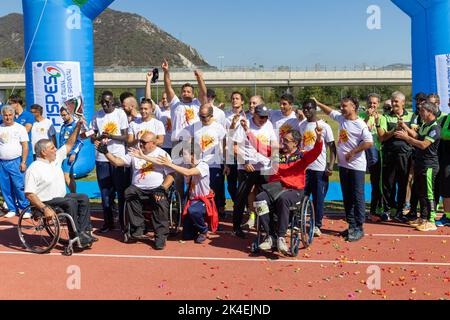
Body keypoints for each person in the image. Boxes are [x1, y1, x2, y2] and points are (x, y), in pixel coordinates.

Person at [249, 123, 323, 254]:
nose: (283, 143)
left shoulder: (302, 156)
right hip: (275, 187)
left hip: (294, 190)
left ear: (295, 143)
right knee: (260, 199)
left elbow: (316, 152)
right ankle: (270, 235)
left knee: (283, 199)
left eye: (286, 141)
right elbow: (260, 147)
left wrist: (318, 138)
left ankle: (281, 237)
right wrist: (247, 131)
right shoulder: (276, 153)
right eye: (282, 139)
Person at [24, 117, 96, 248]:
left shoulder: (55, 158)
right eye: (52, 148)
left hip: (60, 197)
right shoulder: (34, 168)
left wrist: (78, 126)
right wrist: (44, 208)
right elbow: (29, 194)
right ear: (43, 152)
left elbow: (69, 144)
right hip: (46, 201)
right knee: (70, 202)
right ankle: (75, 236)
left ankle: (85, 232)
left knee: (83, 198)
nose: (55, 149)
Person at [97, 132, 175, 249]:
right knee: (129, 192)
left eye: (144, 142)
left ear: (153, 143)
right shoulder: (135, 152)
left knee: (160, 201)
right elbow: (117, 162)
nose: (141, 144)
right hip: (138, 188)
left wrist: (162, 188)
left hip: (157, 188)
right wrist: (106, 152)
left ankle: (160, 235)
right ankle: (138, 227)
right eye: (140, 141)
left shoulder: (162, 154)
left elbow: (171, 175)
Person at [314, 97, 373, 242]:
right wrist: (318, 103)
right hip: (343, 166)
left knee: (357, 196)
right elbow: (330, 112)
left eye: (344, 106)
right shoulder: (341, 119)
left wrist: (352, 152)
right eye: (341, 106)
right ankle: (351, 224)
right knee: (347, 196)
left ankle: (359, 227)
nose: (342, 108)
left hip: (356, 167)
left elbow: (369, 142)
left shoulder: (360, 125)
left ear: (353, 107)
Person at [140, 141, 218, 244]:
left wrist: (170, 164)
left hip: (202, 200)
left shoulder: (203, 166)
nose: (182, 156)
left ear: (193, 155)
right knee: (187, 235)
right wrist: (143, 156)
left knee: (193, 210)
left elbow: (188, 172)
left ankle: (204, 230)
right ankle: (195, 228)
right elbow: (161, 162)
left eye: (184, 154)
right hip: (191, 199)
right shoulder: (185, 163)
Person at [162, 59, 207, 201]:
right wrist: (166, 72)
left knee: (194, 172)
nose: (186, 93)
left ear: (192, 94)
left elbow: (204, 93)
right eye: (184, 91)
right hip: (178, 143)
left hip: (193, 143)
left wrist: (200, 79)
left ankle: (194, 200)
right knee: (179, 175)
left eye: (189, 91)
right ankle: (181, 203)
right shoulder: (175, 103)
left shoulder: (197, 103)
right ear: (181, 93)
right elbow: (168, 86)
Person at [230, 105, 278, 238]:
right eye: (261, 116)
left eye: (266, 116)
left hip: (264, 167)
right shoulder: (245, 125)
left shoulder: (268, 125)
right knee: (241, 197)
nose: (264, 119)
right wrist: (244, 162)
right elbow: (234, 147)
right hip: (247, 167)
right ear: (254, 115)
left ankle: (266, 225)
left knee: (266, 197)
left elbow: (273, 144)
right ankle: (236, 227)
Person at [394, 102, 441, 231]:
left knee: (429, 194)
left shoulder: (435, 128)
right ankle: (423, 218)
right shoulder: (425, 125)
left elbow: (423, 144)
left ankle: (431, 221)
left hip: (429, 165)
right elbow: (417, 136)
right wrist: (405, 127)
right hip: (420, 163)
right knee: (421, 192)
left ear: (430, 112)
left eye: (422, 111)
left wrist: (405, 138)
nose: (420, 113)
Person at [90, 91, 129, 233]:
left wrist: (111, 135)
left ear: (113, 101)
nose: (105, 104)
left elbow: (125, 137)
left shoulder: (120, 114)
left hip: (117, 157)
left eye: (108, 101)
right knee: (105, 193)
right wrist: (99, 137)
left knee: (121, 191)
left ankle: (124, 223)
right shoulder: (96, 115)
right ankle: (108, 222)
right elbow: (92, 138)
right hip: (101, 159)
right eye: (103, 102)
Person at [181, 104, 227, 220]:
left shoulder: (219, 128)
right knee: (198, 192)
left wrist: (226, 164)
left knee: (213, 192)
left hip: (214, 164)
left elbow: (225, 146)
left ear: (211, 115)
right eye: (200, 116)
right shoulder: (194, 126)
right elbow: (187, 142)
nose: (201, 118)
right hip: (197, 164)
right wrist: (188, 160)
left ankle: (214, 216)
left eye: (204, 116)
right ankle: (201, 216)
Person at [299, 99, 336, 236]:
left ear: (315, 109)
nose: (307, 111)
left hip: (319, 169)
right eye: (304, 108)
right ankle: (301, 221)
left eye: (309, 108)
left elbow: (332, 147)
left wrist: (331, 166)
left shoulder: (324, 126)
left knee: (318, 199)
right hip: (304, 169)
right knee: (302, 196)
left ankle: (317, 225)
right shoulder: (302, 125)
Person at [376, 91, 414, 221]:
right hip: (389, 153)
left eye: (396, 101)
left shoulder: (412, 116)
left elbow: (415, 136)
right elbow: (381, 137)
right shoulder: (385, 117)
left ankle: (399, 211)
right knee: (388, 183)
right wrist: (394, 130)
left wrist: (405, 130)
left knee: (403, 183)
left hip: (405, 154)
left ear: (403, 102)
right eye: (392, 101)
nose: (393, 103)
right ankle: (387, 210)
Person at [0, 105, 30, 218]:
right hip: (2, 162)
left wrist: (23, 162)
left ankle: (25, 209)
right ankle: (12, 208)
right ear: (2, 116)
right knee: (5, 187)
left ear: (13, 115)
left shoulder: (20, 128)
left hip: (15, 161)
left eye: (10, 115)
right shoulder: (0, 127)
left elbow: (25, 146)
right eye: (5, 115)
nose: (8, 117)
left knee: (19, 186)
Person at [359, 94, 384, 219]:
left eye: (374, 103)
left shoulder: (382, 117)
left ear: (378, 104)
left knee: (375, 182)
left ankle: (374, 209)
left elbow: (381, 137)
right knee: (359, 181)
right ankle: (358, 210)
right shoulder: (360, 116)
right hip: (362, 151)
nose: (372, 105)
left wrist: (377, 123)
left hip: (375, 150)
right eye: (370, 103)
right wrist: (367, 118)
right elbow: (357, 132)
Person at [145, 71, 172, 155]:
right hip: (162, 147)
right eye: (163, 98)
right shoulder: (159, 112)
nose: (164, 100)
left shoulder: (177, 110)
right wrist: (148, 81)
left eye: (167, 98)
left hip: (176, 146)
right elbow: (148, 99)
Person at [59, 107, 84, 193]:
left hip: (70, 154)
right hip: (63, 154)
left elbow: (80, 142)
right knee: (70, 176)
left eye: (64, 115)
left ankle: (73, 196)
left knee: (65, 176)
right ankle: (74, 195)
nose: (63, 117)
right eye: (61, 115)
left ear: (70, 113)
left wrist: (73, 153)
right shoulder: (63, 126)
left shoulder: (76, 125)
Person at [8, 94, 34, 166]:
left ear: (16, 103)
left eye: (10, 104)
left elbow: (26, 130)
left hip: (25, 149)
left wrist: (9, 131)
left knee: (26, 173)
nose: (8, 106)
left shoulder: (28, 115)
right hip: (11, 151)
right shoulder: (8, 116)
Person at [435, 110, 450, 227]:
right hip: (446, 159)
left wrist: (443, 134)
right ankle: (447, 216)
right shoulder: (445, 119)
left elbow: (443, 134)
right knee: (446, 188)